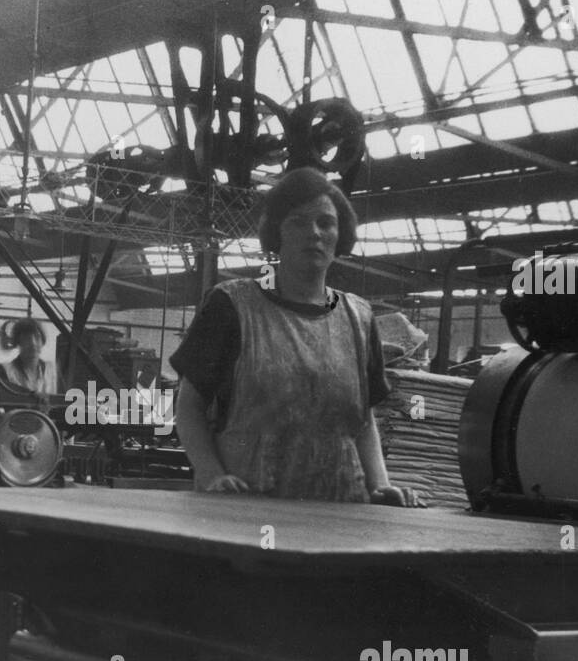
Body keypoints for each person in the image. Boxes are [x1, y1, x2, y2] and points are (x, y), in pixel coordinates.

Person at [170, 167, 425, 507]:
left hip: (342, 515)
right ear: (277, 232)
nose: (314, 233)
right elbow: (189, 406)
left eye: (326, 223)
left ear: (341, 234)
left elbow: (362, 422)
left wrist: (380, 485)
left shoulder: (359, 318)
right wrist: (211, 474)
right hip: (244, 512)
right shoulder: (231, 305)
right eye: (299, 222)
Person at [0, 317, 55, 396]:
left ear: (42, 341)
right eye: (27, 338)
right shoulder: (5, 370)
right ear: (18, 342)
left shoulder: (52, 370)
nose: (33, 343)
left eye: (37, 337)